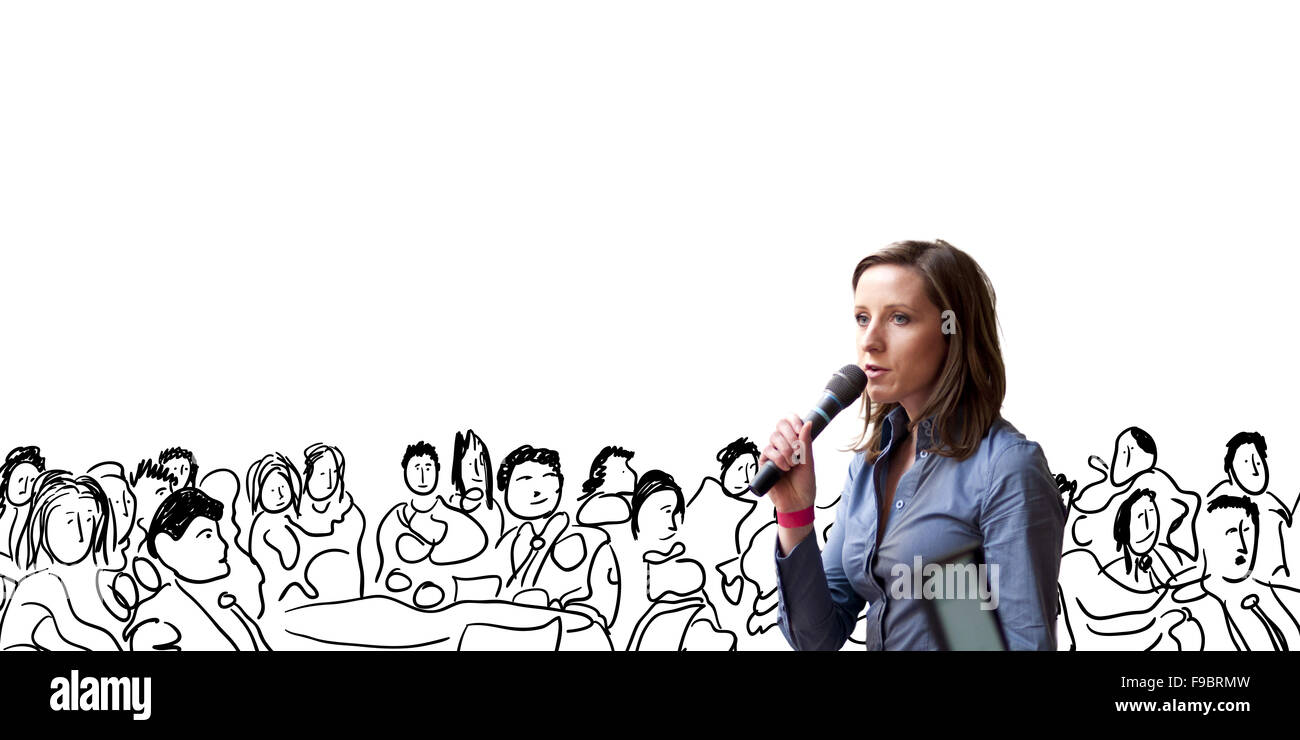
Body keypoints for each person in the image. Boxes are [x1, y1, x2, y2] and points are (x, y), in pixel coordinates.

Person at [765, 239, 1065, 650]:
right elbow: (817, 638)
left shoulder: (1006, 468)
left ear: (952, 331)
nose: (869, 341)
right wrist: (794, 514)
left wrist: (956, 608)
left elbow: (1024, 643)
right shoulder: (870, 464)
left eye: (899, 318)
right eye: (861, 317)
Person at [126, 487, 269, 650]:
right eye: (207, 536)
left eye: (217, 534)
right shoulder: (158, 624)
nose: (222, 544)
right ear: (166, 549)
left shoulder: (229, 607)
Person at [0, 470, 123, 650]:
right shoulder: (40, 584)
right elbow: (91, 638)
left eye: (89, 520)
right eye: (69, 521)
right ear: (43, 524)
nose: (81, 533)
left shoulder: (103, 584)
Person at [373, 441, 488, 608]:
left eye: (428, 468)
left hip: (441, 587)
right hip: (400, 591)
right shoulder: (395, 517)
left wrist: (434, 550)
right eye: (416, 468)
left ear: (437, 471)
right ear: (405, 472)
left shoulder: (449, 514)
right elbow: (385, 562)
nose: (422, 476)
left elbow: (477, 542)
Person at [276, 443, 366, 609]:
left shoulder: (351, 516)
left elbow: (349, 567)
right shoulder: (286, 514)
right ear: (308, 474)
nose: (330, 482)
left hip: (343, 601)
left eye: (335, 473)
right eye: (323, 474)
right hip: (297, 605)